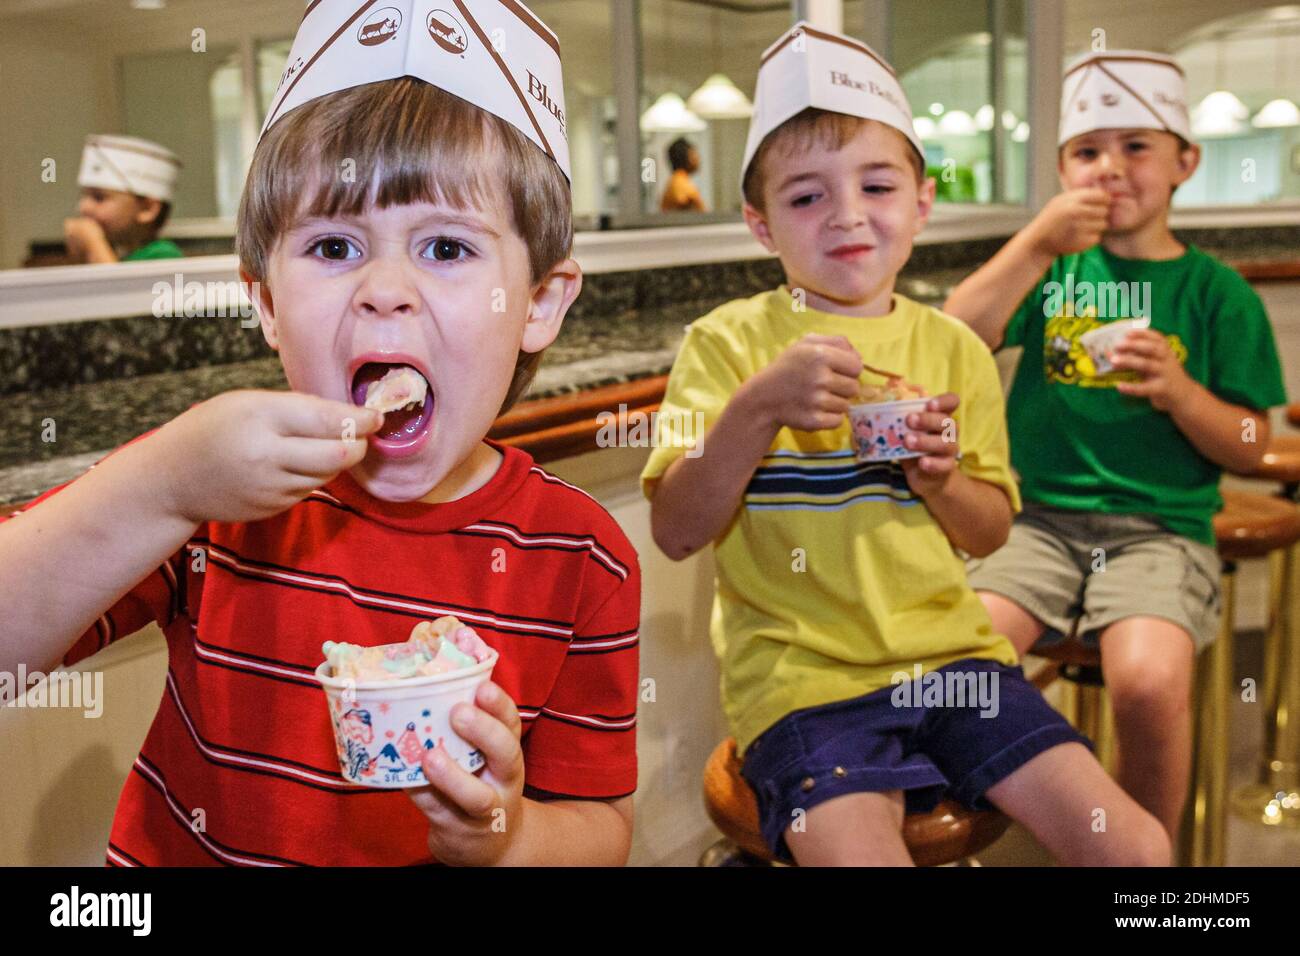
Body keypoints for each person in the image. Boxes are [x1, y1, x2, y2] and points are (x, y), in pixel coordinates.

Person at [0, 0, 639, 866]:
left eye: (446, 249)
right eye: (335, 247)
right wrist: (165, 485)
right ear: (264, 300)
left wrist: (509, 836)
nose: (385, 289)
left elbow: (600, 829)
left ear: (538, 302)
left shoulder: (580, 557)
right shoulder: (211, 495)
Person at [642, 23, 1169, 866]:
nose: (848, 214)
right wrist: (758, 406)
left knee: (1135, 846)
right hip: (803, 684)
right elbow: (674, 526)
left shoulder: (959, 348)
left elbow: (990, 532)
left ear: (921, 202)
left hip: (958, 662)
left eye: (877, 186)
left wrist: (939, 477)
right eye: (807, 196)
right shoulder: (720, 344)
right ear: (760, 223)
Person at [945, 49, 1286, 839]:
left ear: (1185, 163)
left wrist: (1179, 391)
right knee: (965, 659)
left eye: (1137, 146)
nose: (1111, 168)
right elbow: (958, 334)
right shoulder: (1053, 273)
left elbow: (1248, 444)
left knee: (1145, 679)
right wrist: (1034, 243)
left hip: (1159, 532)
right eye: (1087, 152)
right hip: (1033, 522)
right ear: (1063, 168)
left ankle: (1140, 870)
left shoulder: (1216, 293)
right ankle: (1067, 814)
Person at [65, 134, 184, 263]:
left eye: (99, 198)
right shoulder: (120, 256)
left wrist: (94, 245)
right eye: (84, 196)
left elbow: (118, 283)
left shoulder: (163, 254)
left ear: (147, 209)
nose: (83, 207)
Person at [660, 137, 707, 212]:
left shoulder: (679, 179)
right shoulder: (679, 181)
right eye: (693, 154)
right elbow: (683, 202)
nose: (698, 158)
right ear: (685, 157)